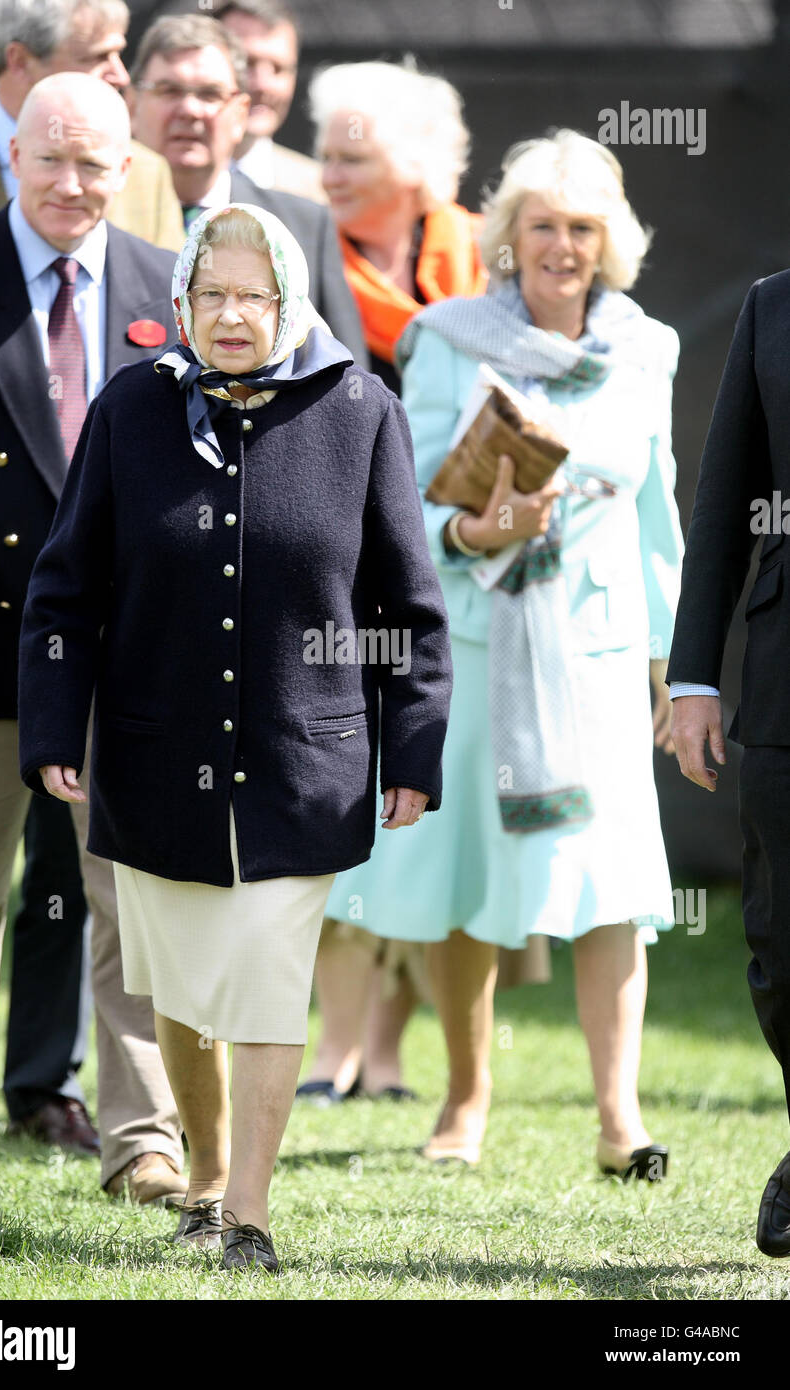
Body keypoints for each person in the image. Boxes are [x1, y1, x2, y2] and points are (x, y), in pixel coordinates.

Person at [16, 202, 452, 1270]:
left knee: (259, 980)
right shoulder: (133, 410)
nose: (230, 314)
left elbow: (404, 598)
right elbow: (65, 587)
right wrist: (50, 724)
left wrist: (417, 746)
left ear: (288, 299)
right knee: (184, 995)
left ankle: (247, 1210)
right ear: (182, 301)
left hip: (305, 762)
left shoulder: (358, 409)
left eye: (253, 295)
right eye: (210, 293)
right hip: (151, 757)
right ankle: (203, 1178)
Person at [327, 129, 684, 1172]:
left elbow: (656, 513)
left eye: (580, 228)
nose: (560, 247)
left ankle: (620, 1122)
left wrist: (673, 665)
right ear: (508, 236)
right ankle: (463, 1103)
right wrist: (480, 530)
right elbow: (415, 494)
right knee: (466, 877)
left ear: (608, 242)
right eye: (541, 225)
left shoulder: (647, 346)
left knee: (610, 884)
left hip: (602, 651)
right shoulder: (443, 335)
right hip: (479, 640)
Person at [0, 0, 187, 1159]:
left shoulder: (168, 287)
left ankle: (146, 1140)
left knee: (131, 908)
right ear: (10, 152)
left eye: (94, 164)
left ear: (124, 168)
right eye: (51, 160)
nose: (72, 184)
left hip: (124, 655)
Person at [299, 60, 494, 1104]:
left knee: (432, 805)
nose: (327, 169)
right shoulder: (301, 253)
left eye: (351, 153)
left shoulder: (476, 260)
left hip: (455, 571)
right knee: (347, 792)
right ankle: (336, 1049)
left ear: (415, 165)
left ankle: (384, 1051)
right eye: (323, 148)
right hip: (337, 562)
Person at [668, 275, 790, 1254]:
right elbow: (723, 506)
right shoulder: (768, 306)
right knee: (780, 950)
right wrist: (693, 676)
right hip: (784, 683)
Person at [127, 13, 366, 365]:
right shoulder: (94, 221)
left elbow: (346, 375)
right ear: (132, 104)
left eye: (210, 94)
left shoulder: (304, 226)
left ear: (240, 113)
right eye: (169, 90)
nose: (190, 109)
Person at [0, 0, 184, 249]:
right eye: (96, 56)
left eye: (118, 54)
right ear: (20, 61)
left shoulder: (147, 171)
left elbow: (166, 288)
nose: (120, 75)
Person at [310, 60, 487, 393]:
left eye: (352, 159)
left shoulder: (486, 253)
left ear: (416, 163)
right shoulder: (306, 264)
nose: (329, 178)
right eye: (326, 158)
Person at [215, 0, 325, 202]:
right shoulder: (156, 181)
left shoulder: (321, 191)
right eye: (247, 64)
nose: (263, 85)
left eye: (278, 68)